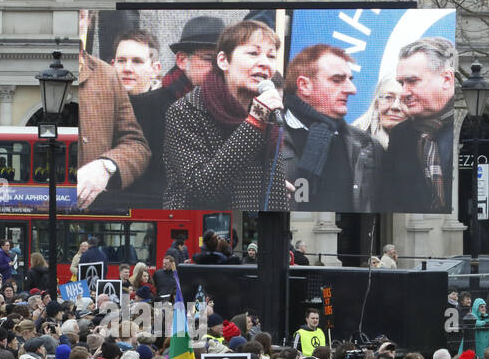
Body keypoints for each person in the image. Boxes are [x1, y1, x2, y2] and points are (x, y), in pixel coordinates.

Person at [164, 18, 291, 214]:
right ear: (223, 61)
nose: (265, 63)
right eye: (253, 53)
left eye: (271, 56)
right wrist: (254, 122)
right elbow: (203, 188)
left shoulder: (268, 111)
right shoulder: (186, 111)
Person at [126, 16, 224, 208]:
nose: (219, 69)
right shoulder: (145, 108)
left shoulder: (231, 109)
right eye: (209, 59)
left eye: (224, 60)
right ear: (181, 60)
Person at [365, 37, 457, 214]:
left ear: (446, 79)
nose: (404, 92)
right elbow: (388, 199)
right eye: (401, 83)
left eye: (412, 81)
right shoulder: (401, 134)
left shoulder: (467, 124)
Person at [75, 9, 150, 211]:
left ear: (88, 20)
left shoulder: (106, 75)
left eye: (78, 14)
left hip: (93, 211)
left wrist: (106, 167)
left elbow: (136, 146)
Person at [279, 43, 366, 209]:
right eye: (337, 80)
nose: (352, 90)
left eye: (349, 80)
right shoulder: (267, 140)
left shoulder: (365, 145)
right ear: (304, 85)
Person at [110, 29, 162, 95]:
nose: (127, 68)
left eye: (137, 61)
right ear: (112, 66)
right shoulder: (97, 102)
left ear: (155, 69)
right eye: (121, 61)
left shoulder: (171, 104)